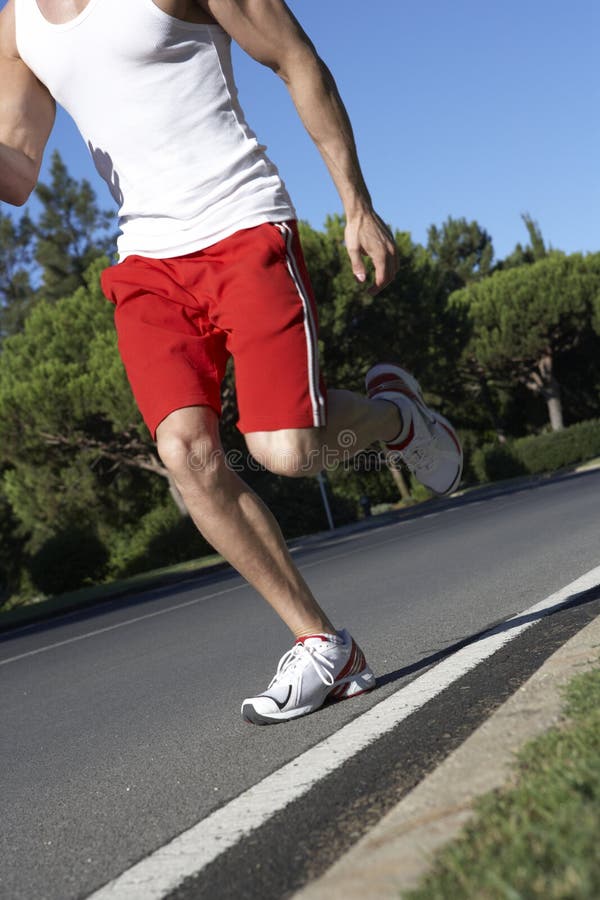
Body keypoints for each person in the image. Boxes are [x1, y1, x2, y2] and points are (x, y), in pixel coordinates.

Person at [0, 0, 462, 725]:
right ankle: (322, 644)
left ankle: (394, 417)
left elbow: (295, 57)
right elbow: (18, 170)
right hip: (146, 261)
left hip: (241, 224)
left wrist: (356, 203)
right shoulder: (17, 26)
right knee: (186, 452)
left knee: (286, 452)